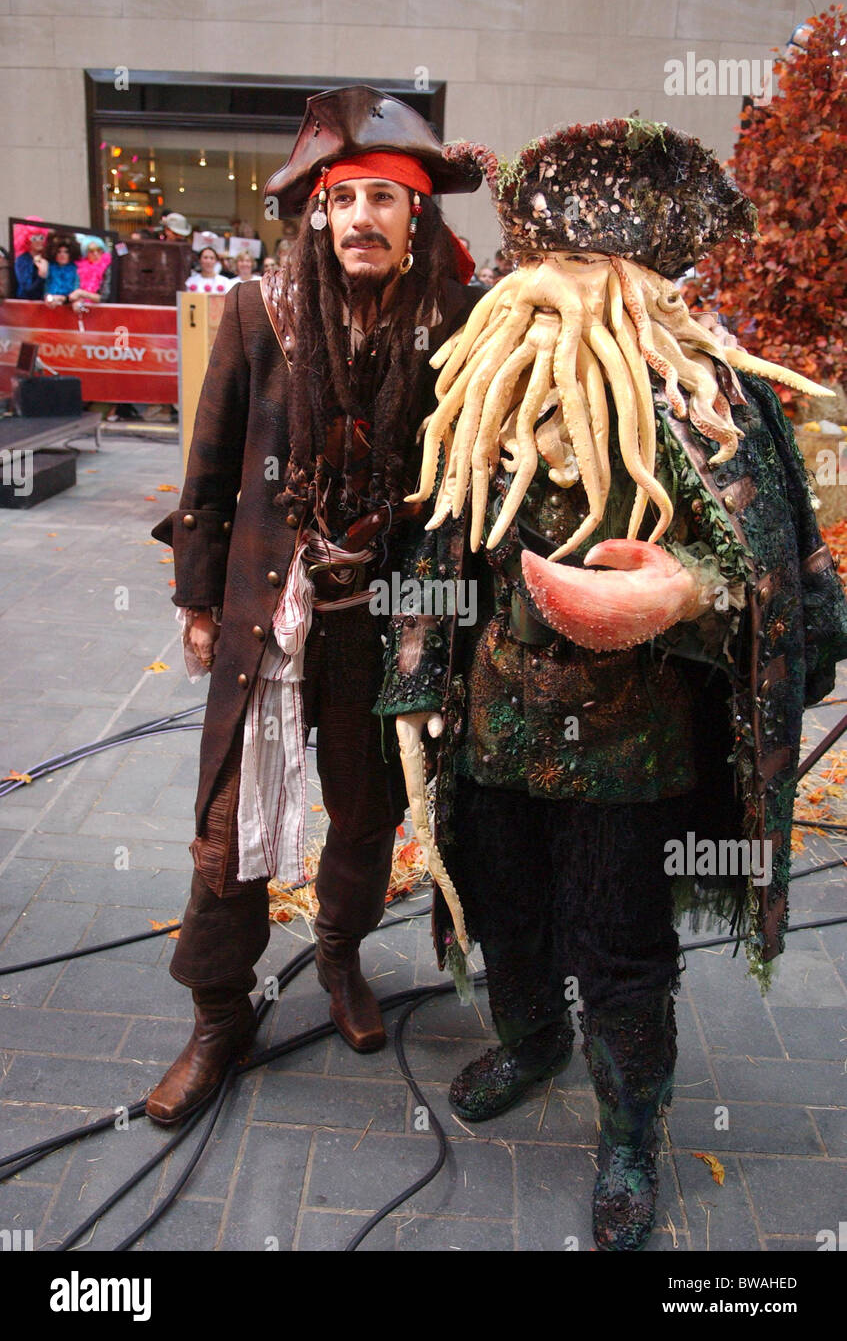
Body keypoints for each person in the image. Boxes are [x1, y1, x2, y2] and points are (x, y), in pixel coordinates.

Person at [377, 119, 847, 1250]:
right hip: (491, 723)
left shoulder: (711, 397)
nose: (571, 288)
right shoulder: (482, 389)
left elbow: (785, 568)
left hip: (631, 746)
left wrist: (689, 585)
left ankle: (631, 1131)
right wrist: (418, 677)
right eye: (552, 269)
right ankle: (533, 1035)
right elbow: (437, 548)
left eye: (600, 271)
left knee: (620, 940)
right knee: (498, 904)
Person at [144, 84, 482, 1126]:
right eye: (344, 201)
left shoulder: (456, 322)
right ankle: (216, 1018)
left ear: (415, 214)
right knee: (225, 827)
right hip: (269, 612)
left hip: (386, 620)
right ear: (317, 215)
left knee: (367, 815)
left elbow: (473, 477)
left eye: (384, 198)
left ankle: (339, 962)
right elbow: (206, 470)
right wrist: (197, 599)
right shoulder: (258, 311)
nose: (361, 219)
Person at [13, 218, 50, 299]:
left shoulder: (47, 257)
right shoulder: (22, 260)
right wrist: (41, 276)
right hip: (25, 305)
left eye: (41, 237)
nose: (38, 241)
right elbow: (27, 289)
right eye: (34, 238)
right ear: (26, 240)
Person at [43, 235, 80, 305]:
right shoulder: (49, 268)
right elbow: (45, 291)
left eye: (66, 252)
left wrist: (62, 298)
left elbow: (76, 293)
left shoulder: (76, 270)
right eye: (59, 252)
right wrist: (49, 298)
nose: (62, 255)